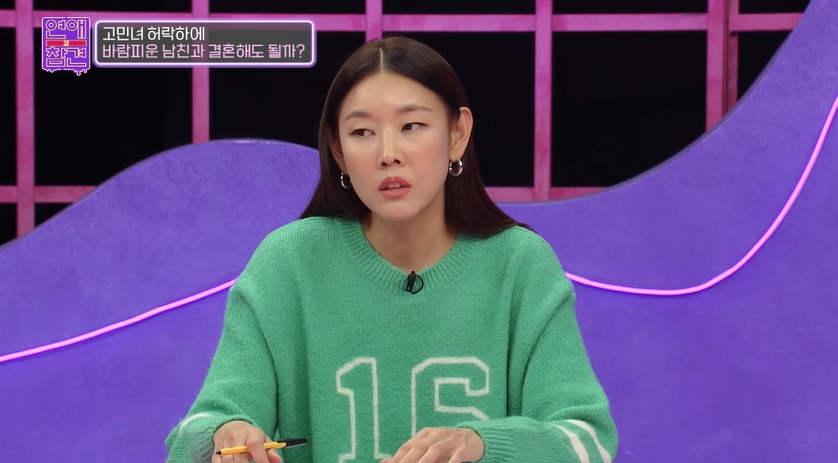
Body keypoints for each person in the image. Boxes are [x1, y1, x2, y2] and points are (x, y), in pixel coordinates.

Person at [164, 36, 618, 463]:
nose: (387, 153)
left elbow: (588, 442)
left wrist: (481, 444)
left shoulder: (520, 265)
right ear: (338, 151)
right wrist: (224, 434)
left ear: (457, 134)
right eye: (362, 132)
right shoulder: (288, 264)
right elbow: (194, 433)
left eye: (411, 126)